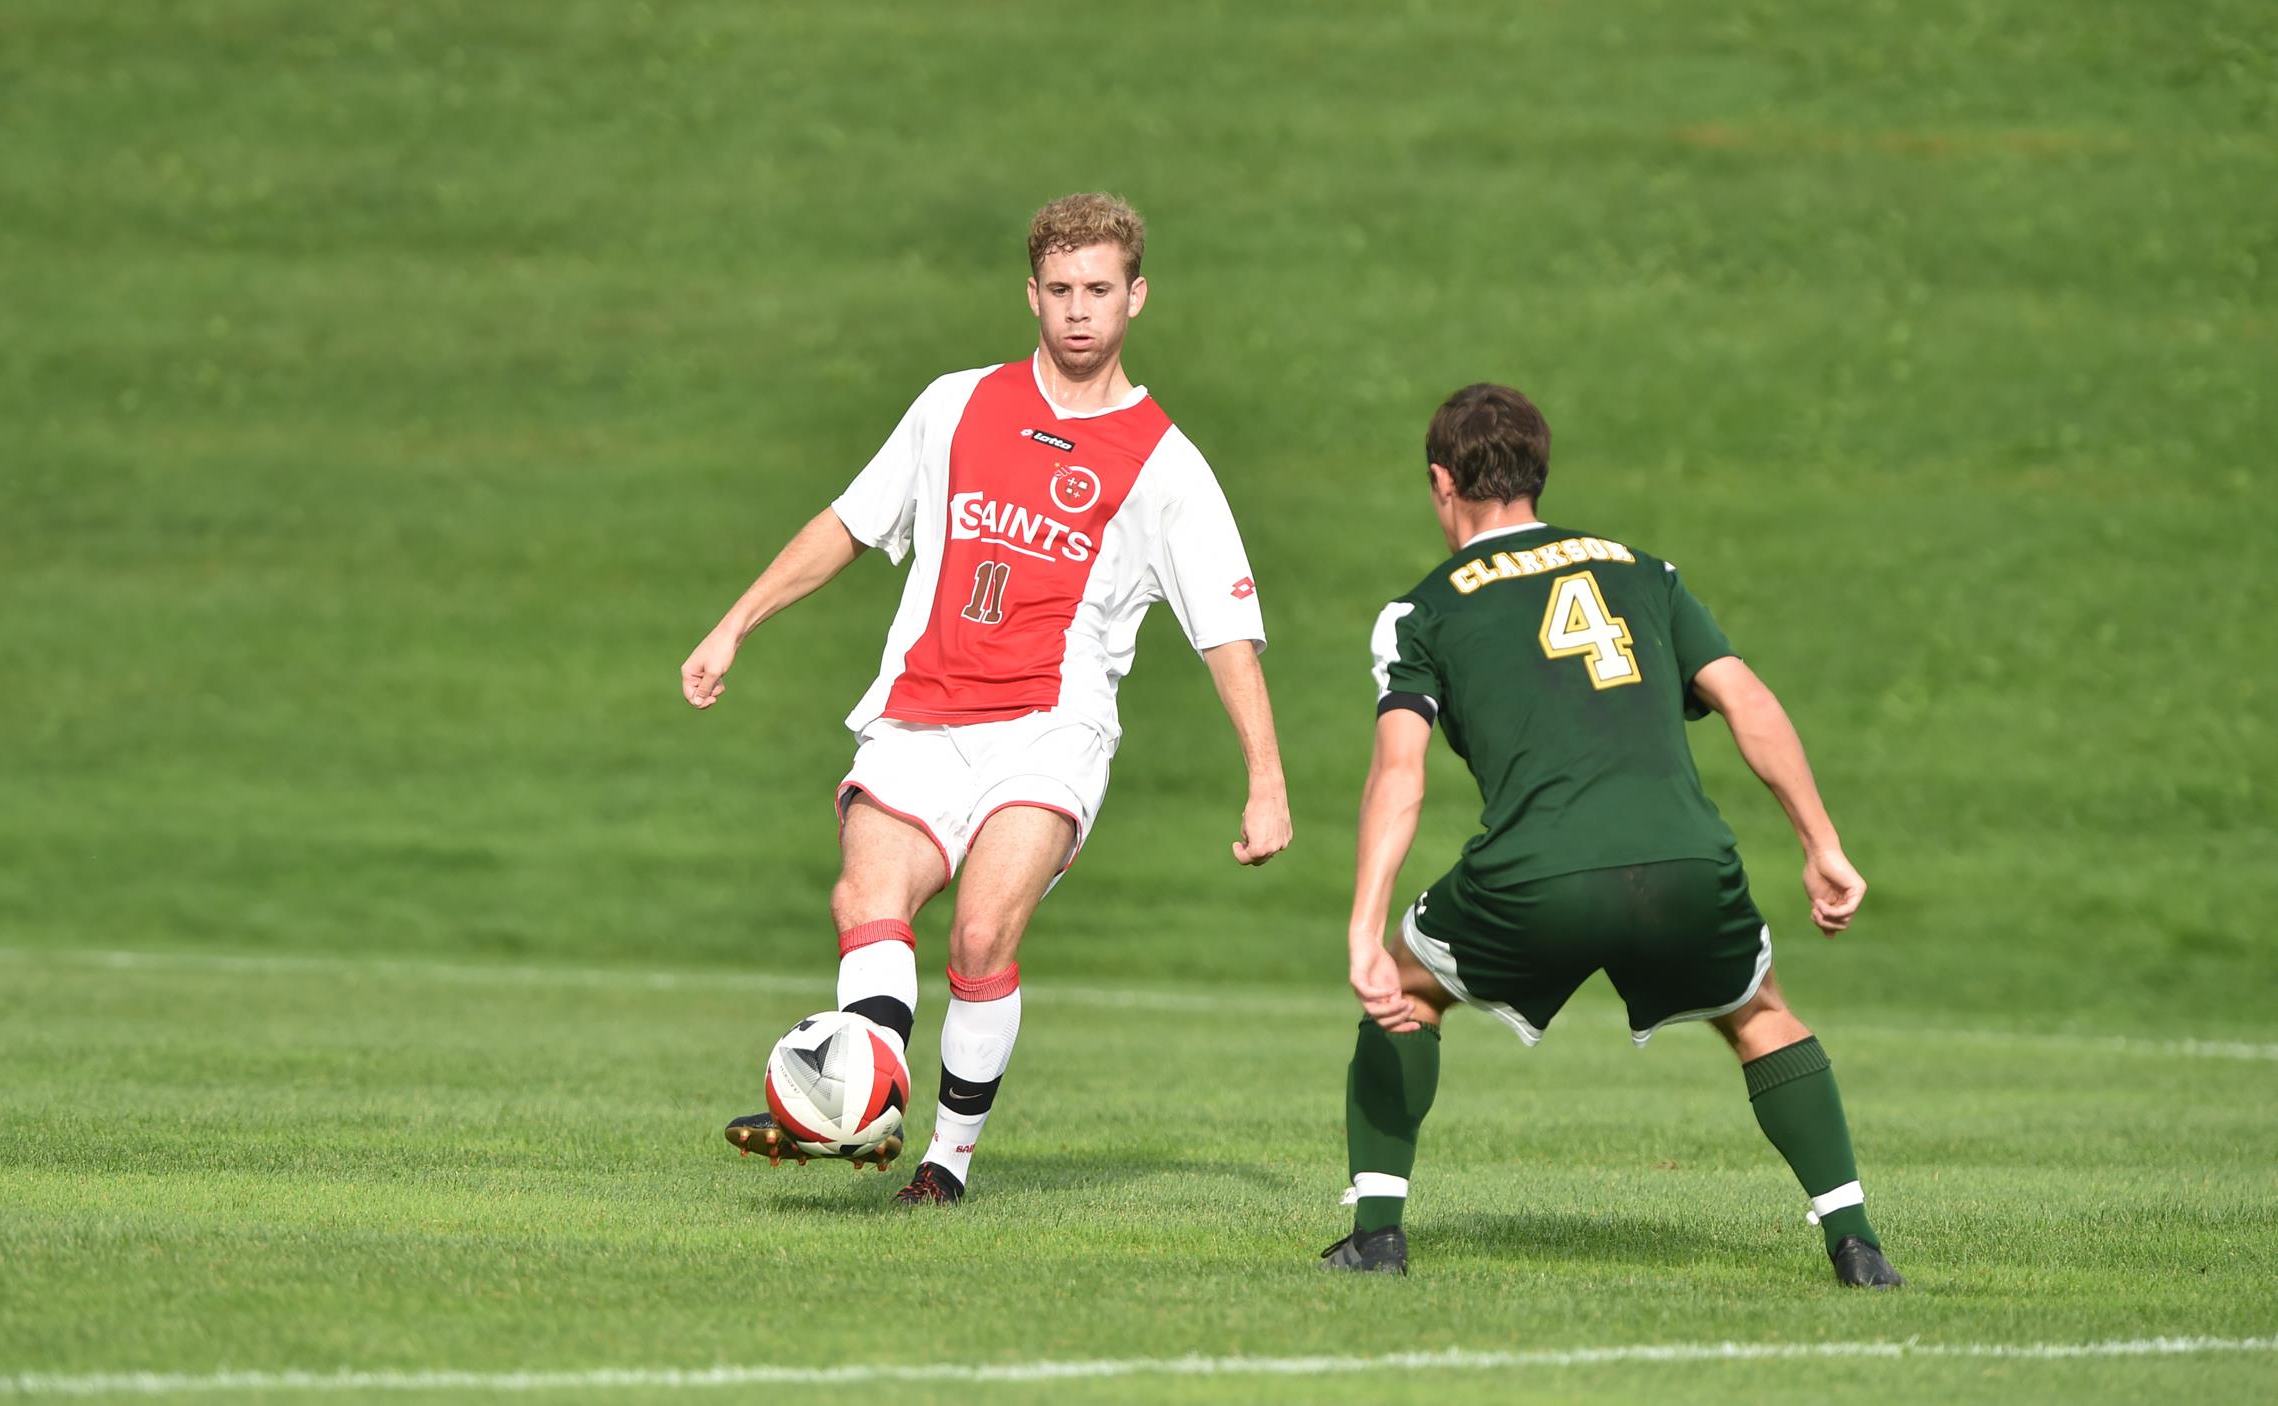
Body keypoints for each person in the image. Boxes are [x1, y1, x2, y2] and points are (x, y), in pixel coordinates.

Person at [682, 193, 1292, 1205]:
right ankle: (860, 1101)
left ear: (1136, 296)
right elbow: (848, 520)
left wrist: (1264, 781)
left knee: (977, 938)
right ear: (1032, 295)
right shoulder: (954, 403)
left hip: (1050, 734)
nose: (1078, 312)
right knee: (864, 900)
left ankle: (942, 1163)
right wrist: (734, 621)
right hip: (919, 714)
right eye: (1059, 291)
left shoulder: (1167, 467)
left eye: (1099, 290)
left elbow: (1226, 632)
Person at [1323, 383, 1902, 1287]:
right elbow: (1747, 700)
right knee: (1761, 1015)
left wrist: (1365, 928)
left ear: (1442, 482)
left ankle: (1377, 1236)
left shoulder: (1422, 610)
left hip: (1534, 877)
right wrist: (1821, 843)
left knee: (1405, 987)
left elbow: (1400, 772)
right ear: (1538, 475)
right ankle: (1856, 1241)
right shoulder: (1645, 572)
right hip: (1684, 863)